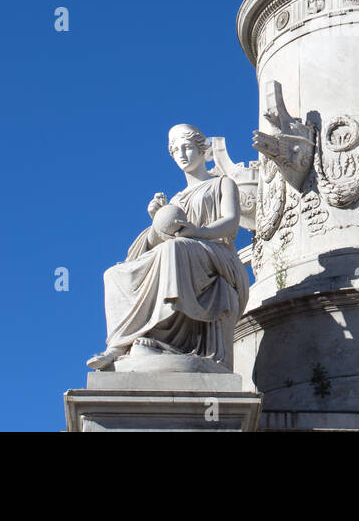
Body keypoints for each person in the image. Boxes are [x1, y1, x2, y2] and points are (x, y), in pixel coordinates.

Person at [87, 124, 250, 371]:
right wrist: (156, 224)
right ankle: (120, 346)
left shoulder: (222, 183)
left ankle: (160, 333)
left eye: (187, 147)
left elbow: (230, 224)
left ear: (202, 149)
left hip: (217, 253)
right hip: (185, 251)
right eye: (176, 150)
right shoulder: (176, 199)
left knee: (174, 250)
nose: (182, 154)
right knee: (114, 274)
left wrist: (199, 232)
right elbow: (161, 239)